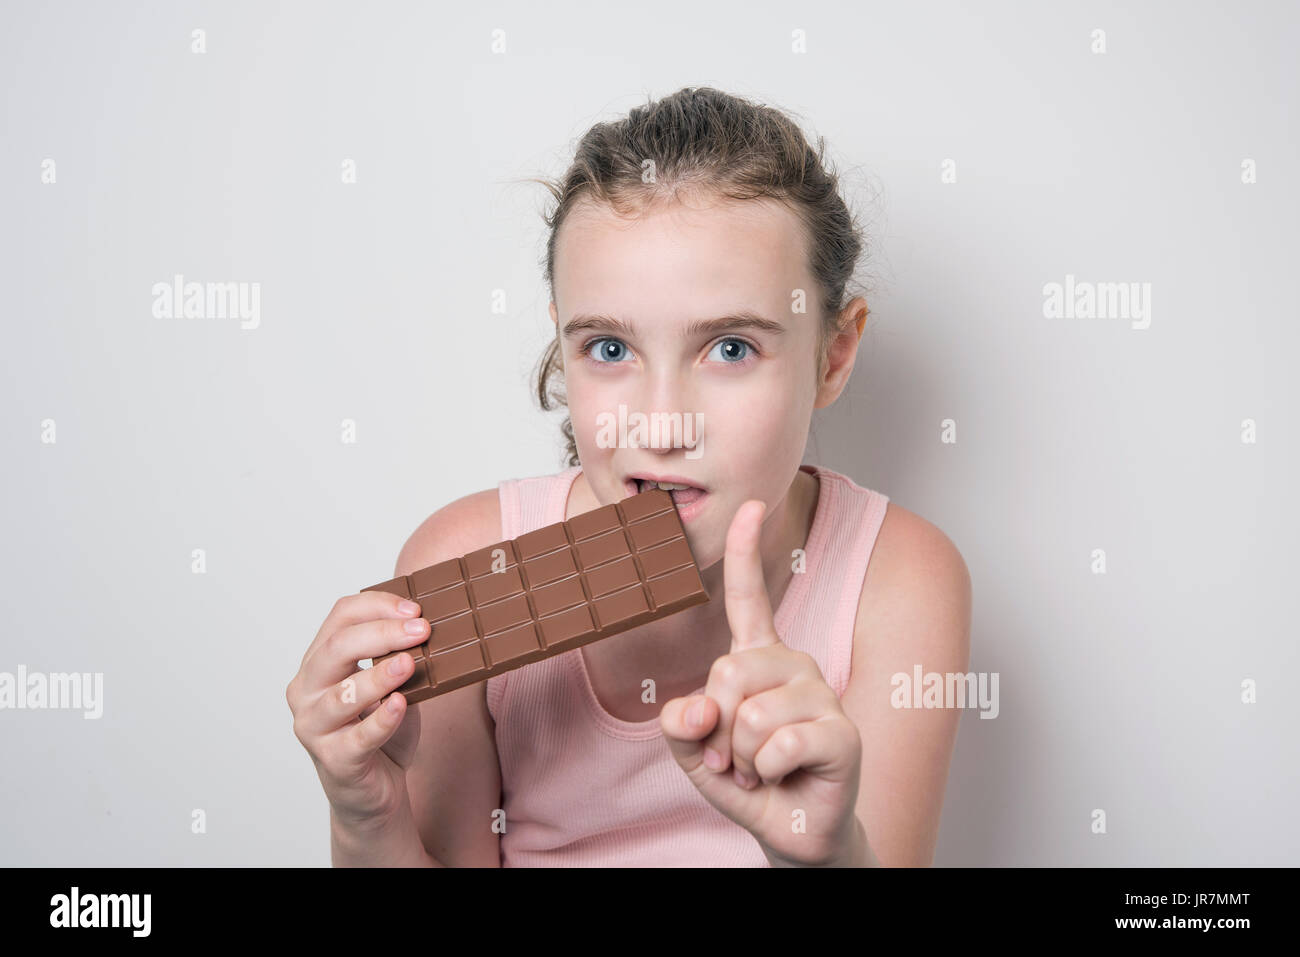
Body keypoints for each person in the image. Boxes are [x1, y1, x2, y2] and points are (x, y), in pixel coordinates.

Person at [287, 87, 971, 867]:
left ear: (833, 355)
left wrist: (826, 855)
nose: (661, 422)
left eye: (732, 348)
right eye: (609, 349)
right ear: (563, 349)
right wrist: (366, 816)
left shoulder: (900, 579)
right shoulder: (461, 555)